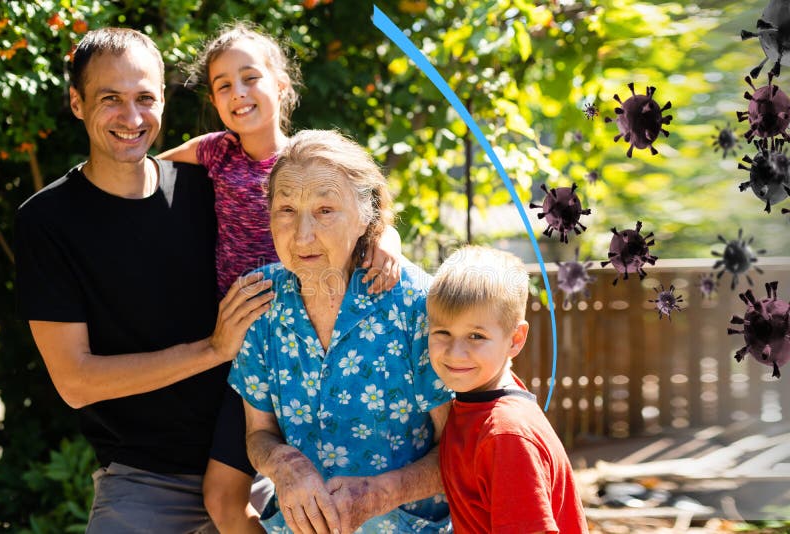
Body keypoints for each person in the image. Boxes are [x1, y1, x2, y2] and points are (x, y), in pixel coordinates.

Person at [13, 28, 276, 532]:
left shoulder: (207, 186)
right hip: (142, 483)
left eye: (145, 99)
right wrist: (214, 349)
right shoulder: (47, 221)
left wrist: (381, 241)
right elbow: (75, 382)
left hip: (252, 464)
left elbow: (322, 204)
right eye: (110, 99)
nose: (132, 119)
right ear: (76, 102)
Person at [158, 22, 403, 532]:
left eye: (250, 78)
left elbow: (372, 212)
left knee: (329, 490)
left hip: (310, 337)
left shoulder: (304, 162)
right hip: (247, 345)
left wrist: (389, 243)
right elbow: (139, 169)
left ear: (282, 86)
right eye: (223, 84)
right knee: (224, 500)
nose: (237, 93)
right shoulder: (214, 150)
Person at [228, 129, 453, 533]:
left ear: (366, 213)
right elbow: (258, 434)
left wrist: (380, 494)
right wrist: (285, 465)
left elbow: (461, 449)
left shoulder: (415, 303)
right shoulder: (259, 302)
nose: (302, 235)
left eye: (325, 210)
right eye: (286, 210)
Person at [427, 246, 589, 534]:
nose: (455, 352)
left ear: (515, 339)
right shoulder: (478, 403)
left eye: (476, 336)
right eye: (443, 332)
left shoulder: (506, 435)